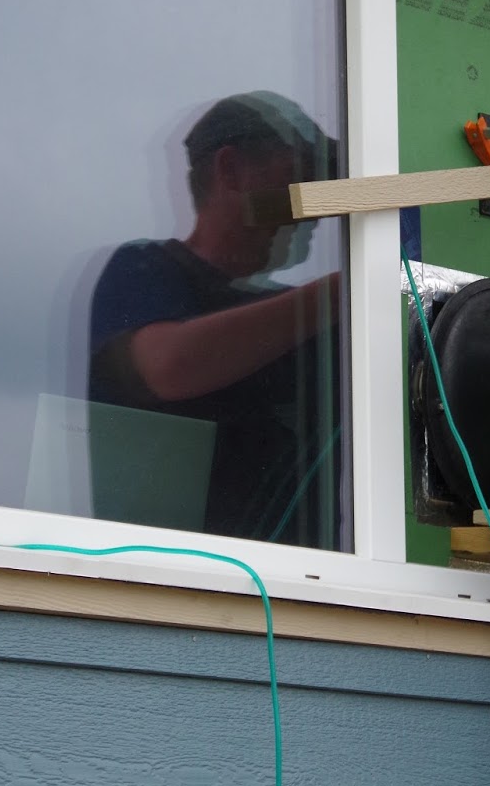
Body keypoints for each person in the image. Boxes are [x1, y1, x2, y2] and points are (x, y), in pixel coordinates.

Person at [90, 91, 343, 548]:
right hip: (170, 580)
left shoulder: (307, 315)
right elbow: (169, 365)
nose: (313, 212)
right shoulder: (145, 270)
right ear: (230, 170)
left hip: (304, 584)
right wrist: (343, 294)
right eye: (299, 180)